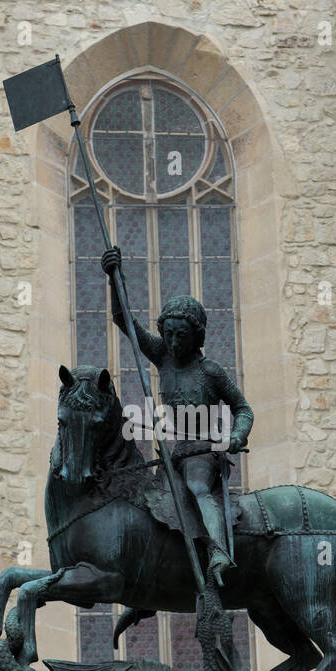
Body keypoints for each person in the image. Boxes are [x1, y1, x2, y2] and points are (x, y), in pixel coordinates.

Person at [101, 245, 252, 587]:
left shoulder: (210, 371)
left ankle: (218, 551)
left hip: (204, 454)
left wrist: (237, 436)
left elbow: (243, 409)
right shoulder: (162, 357)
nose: (172, 340)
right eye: (167, 333)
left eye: (180, 335)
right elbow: (124, 320)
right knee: (149, 509)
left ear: (196, 335)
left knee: (198, 488)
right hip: (174, 455)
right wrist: (114, 277)